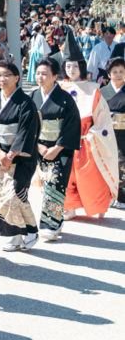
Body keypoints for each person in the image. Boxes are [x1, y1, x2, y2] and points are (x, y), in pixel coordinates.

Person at [0, 62, 40, 251]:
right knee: (3, 197)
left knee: (16, 194)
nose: (2, 79)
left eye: (7, 75)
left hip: (21, 157)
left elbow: (27, 131)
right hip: (0, 156)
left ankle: (31, 230)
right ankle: (15, 235)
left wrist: (11, 154)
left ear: (17, 78)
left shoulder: (25, 103)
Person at [59, 50, 118, 219]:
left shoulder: (93, 89)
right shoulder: (59, 88)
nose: (71, 69)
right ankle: (69, 208)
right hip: (64, 141)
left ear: (82, 67)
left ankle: (97, 206)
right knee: (67, 176)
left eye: (75, 66)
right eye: (68, 66)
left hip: (87, 140)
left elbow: (103, 118)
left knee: (91, 178)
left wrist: (93, 134)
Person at [32, 58, 81, 241]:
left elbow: (72, 125)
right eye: (38, 73)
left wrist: (57, 147)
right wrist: (38, 145)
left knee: (56, 183)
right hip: (40, 147)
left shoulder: (66, 99)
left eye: (45, 73)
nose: (40, 77)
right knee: (46, 184)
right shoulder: (33, 96)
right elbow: (28, 125)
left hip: (61, 148)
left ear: (55, 76)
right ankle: (57, 219)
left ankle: (49, 225)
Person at [101, 57, 125, 210]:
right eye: (114, 71)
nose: (118, 74)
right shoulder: (102, 92)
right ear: (109, 74)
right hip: (106, 133)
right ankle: (108, 195)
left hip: (124, 134)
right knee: (107, 163)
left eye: (121, 71)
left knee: (122, 164)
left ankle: (122, 197)